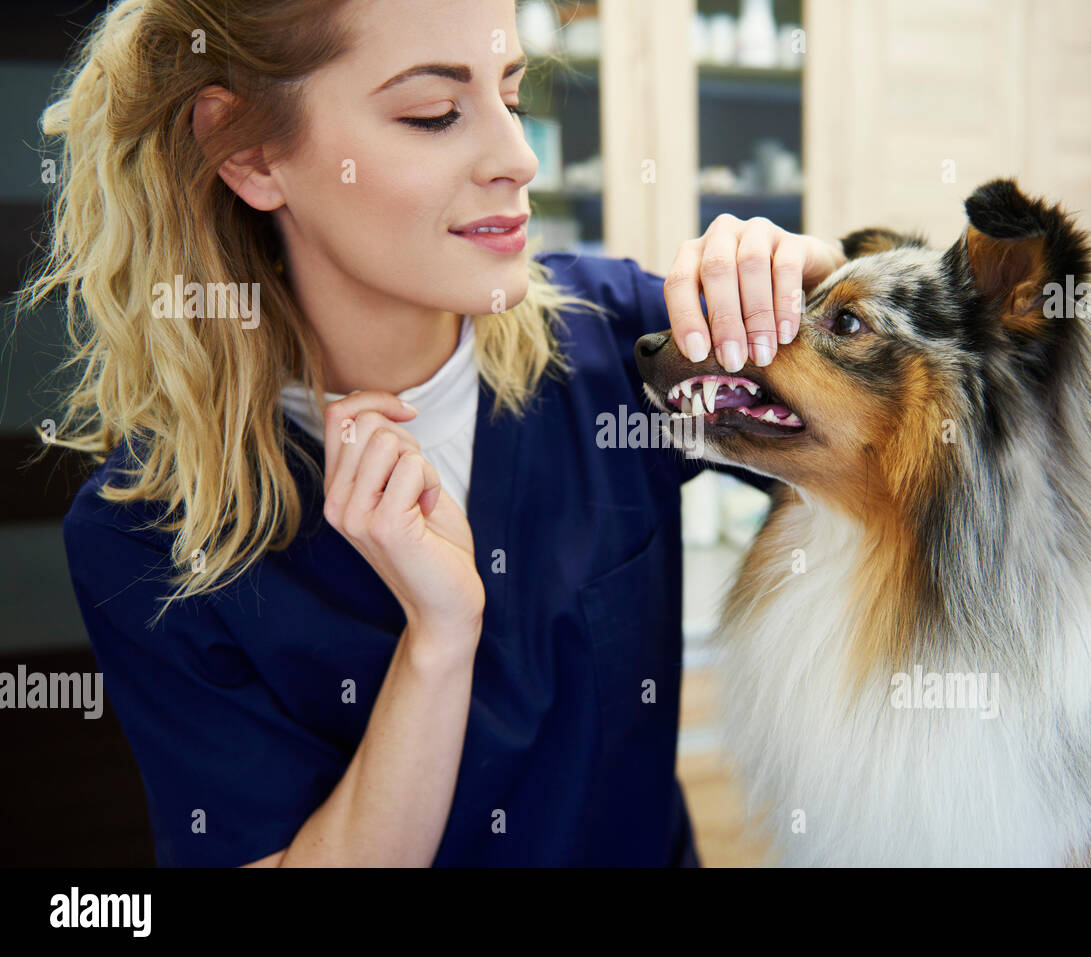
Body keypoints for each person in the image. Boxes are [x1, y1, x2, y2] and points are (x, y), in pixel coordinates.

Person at [18, 0, 845, 866]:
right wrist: (439, 638)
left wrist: (827, 285)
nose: (519, 159)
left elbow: (948, 433)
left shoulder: (622, 344)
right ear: (249, 151)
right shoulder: (148, 535)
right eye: (435, 114)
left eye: (513, 98)